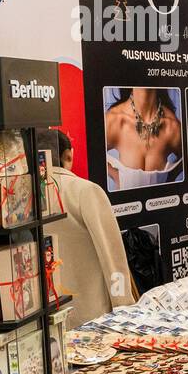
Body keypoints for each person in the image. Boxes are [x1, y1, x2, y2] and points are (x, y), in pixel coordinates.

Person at [42, 129, 136, 326]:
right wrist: (125, 309)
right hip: (91, 317)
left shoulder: (22, 197)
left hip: (43, 321)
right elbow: (112, 258)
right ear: (68, 154)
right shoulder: (85, 191)